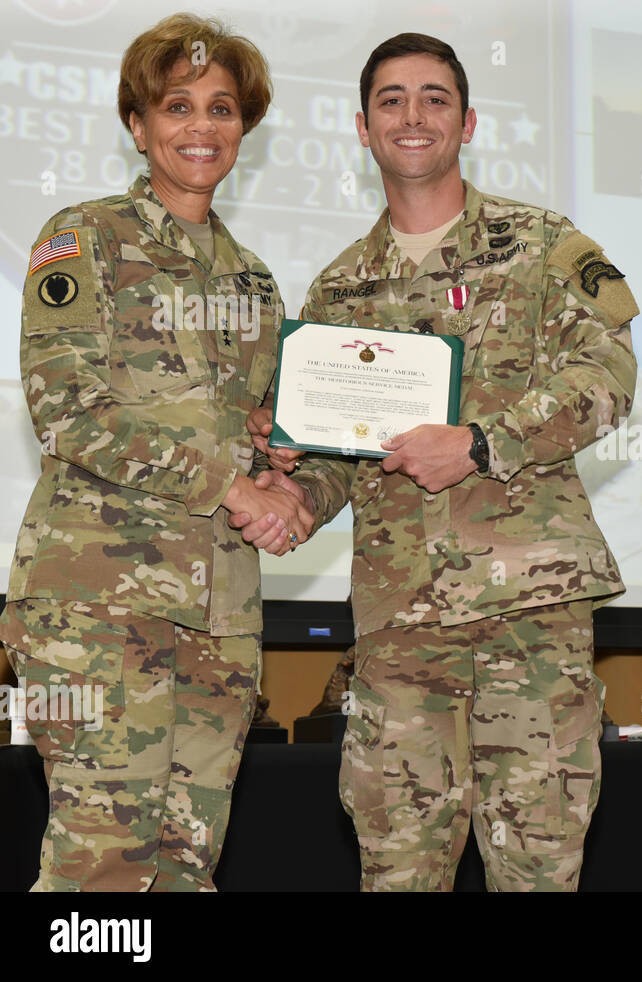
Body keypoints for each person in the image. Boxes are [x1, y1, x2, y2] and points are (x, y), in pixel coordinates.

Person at [240, 33, 637, 891]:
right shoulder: (339, 291)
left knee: (537, 871)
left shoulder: (542, 245)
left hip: (529, 614)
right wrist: (294, 485)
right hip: (400, 631)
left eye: (433, 99)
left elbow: (607, 375)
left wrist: (481, 442)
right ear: (361, 125)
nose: (412, 116)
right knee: (397, 871)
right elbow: (344, 461)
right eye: (391, 100)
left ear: (466, 122)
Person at [0, 13, 312, 891]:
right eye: (178, 107)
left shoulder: (254, 278)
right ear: (137, 127)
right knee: (100, 869)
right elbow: (66, 411)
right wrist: (230, 483)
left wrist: (274, 456)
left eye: (222, 109)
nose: (201, 128)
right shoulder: (85, 238)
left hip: (221, 616)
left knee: (184, 869)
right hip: (99, 608)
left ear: (244, 128)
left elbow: (251, 425)